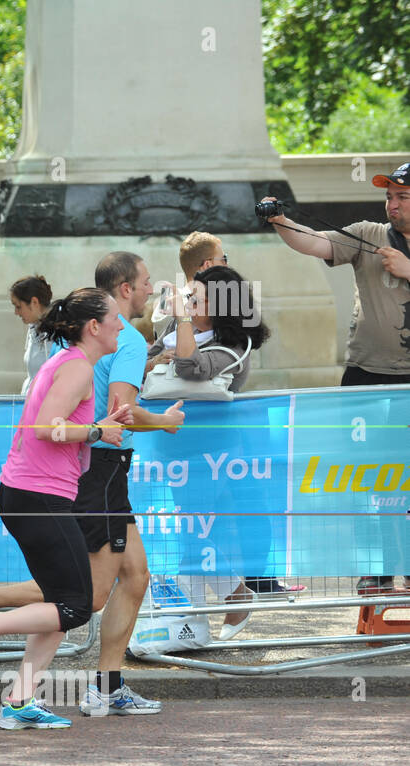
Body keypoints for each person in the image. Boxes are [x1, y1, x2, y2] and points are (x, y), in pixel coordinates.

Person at [0, 253, 186, 715]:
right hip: (82, 481)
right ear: (117, 298)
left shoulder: (69, 355)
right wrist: (156, 422)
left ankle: (40, 694)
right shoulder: (101, 354)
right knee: (84, 599)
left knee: (133, 577)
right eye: (144, 284)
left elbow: (86, 415)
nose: (147, 294)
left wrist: (105, 428)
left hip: (79, 478)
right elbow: (83, 418)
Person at [0, 288, 133, 728]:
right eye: (116, 319)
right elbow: (48, 427)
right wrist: (97, 433)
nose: (122, 326)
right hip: (37, 497)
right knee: (78, 607)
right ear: (94, 328)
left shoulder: (69, 363)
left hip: (29, 495)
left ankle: (19, 702)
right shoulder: (78, 368)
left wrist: (100, 429)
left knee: (60, 604)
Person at [262, 164, 410, 593]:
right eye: (390, 197)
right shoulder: (368, 233)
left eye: (402, 197)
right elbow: (315, 242)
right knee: (373, 478)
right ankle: (379, 571)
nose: (392, 205)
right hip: (367, 377)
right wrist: (279, 221)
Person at [149, 265, 273, 638]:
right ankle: (218, 603)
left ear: (220, 305)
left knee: (195, 527)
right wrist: (158, 357)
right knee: (193, 526)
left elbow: (190, 368)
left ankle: (200, 610)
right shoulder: (175, 329)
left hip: (212, 449)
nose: (187, 302)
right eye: (189, 294)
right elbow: (144, 366)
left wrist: (182, 324)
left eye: (197, 298)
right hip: (172, 443)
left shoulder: (233, 345)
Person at [10, 275, 54, 395]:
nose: (16, 312)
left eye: (19, 306)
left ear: (34, 302)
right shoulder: (33, 328)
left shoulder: (59, 334)